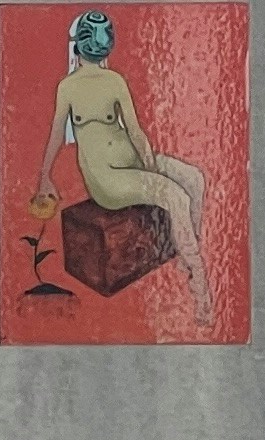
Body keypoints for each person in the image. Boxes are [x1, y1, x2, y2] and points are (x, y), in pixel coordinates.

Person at [25, 13, 214, 327]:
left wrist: (151, 165)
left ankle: (186, 253)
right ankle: (200, 287)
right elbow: (57, 134)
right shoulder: (68, 87)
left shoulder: (115, 81)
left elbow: (136, 132)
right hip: (109, 179)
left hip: (133, 161)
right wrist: (45, 175)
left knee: (194, 178)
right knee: (176, 196)